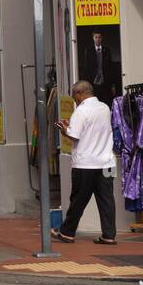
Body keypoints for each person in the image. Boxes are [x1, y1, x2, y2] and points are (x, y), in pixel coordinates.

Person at [53, 80, 117, 245]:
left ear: (80, 94)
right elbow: (93, 129)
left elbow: (75, 135)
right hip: (106, 162)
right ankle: (109, 235)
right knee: (107, 200)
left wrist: (63, 128)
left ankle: (67, 233)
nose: (74, 99)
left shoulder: (81, 111)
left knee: (78, 200)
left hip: (85, 164)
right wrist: (71, 126)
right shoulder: (104, 107)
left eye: (74, 96)